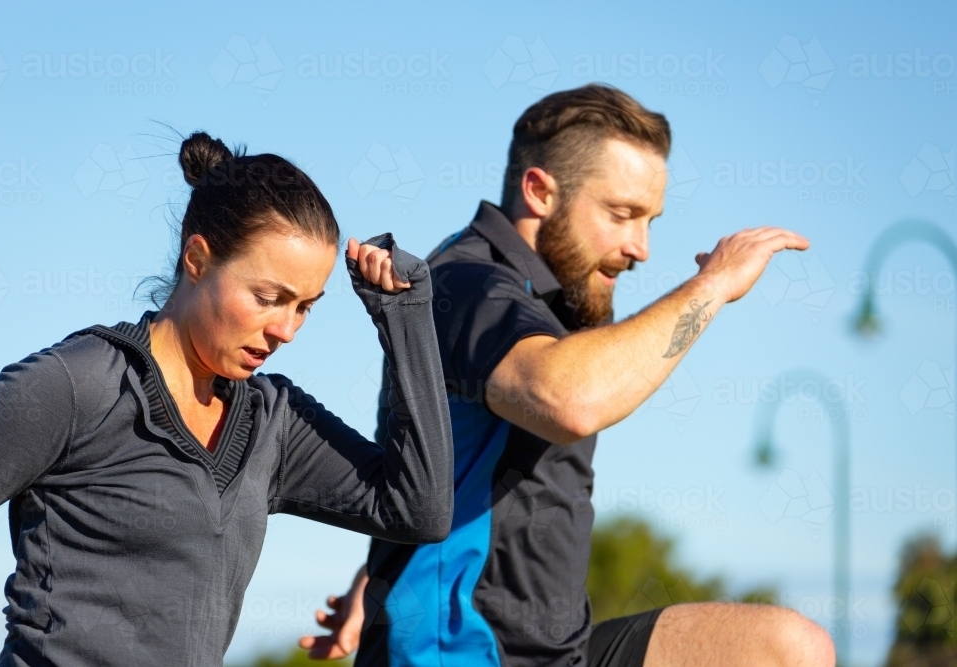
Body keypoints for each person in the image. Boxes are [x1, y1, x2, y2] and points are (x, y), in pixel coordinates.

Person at [302, 85, 836, 667]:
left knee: (787, 650)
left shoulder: (545, 303)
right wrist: (713, 287)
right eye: (622, 214)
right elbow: (568, 399)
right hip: (462, 656)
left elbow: (450, 462)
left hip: (559, 653)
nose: (642, 248)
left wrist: (376, 573)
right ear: (539, 191)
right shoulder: (467, 282)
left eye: (651, 220)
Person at [0, 132, 454, 667]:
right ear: (197, 258)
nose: (287, 329)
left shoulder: (273, 422)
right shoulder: (75, 386)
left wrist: (406, 316)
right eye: (268, 298)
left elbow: (418, 510)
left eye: (305, 306)